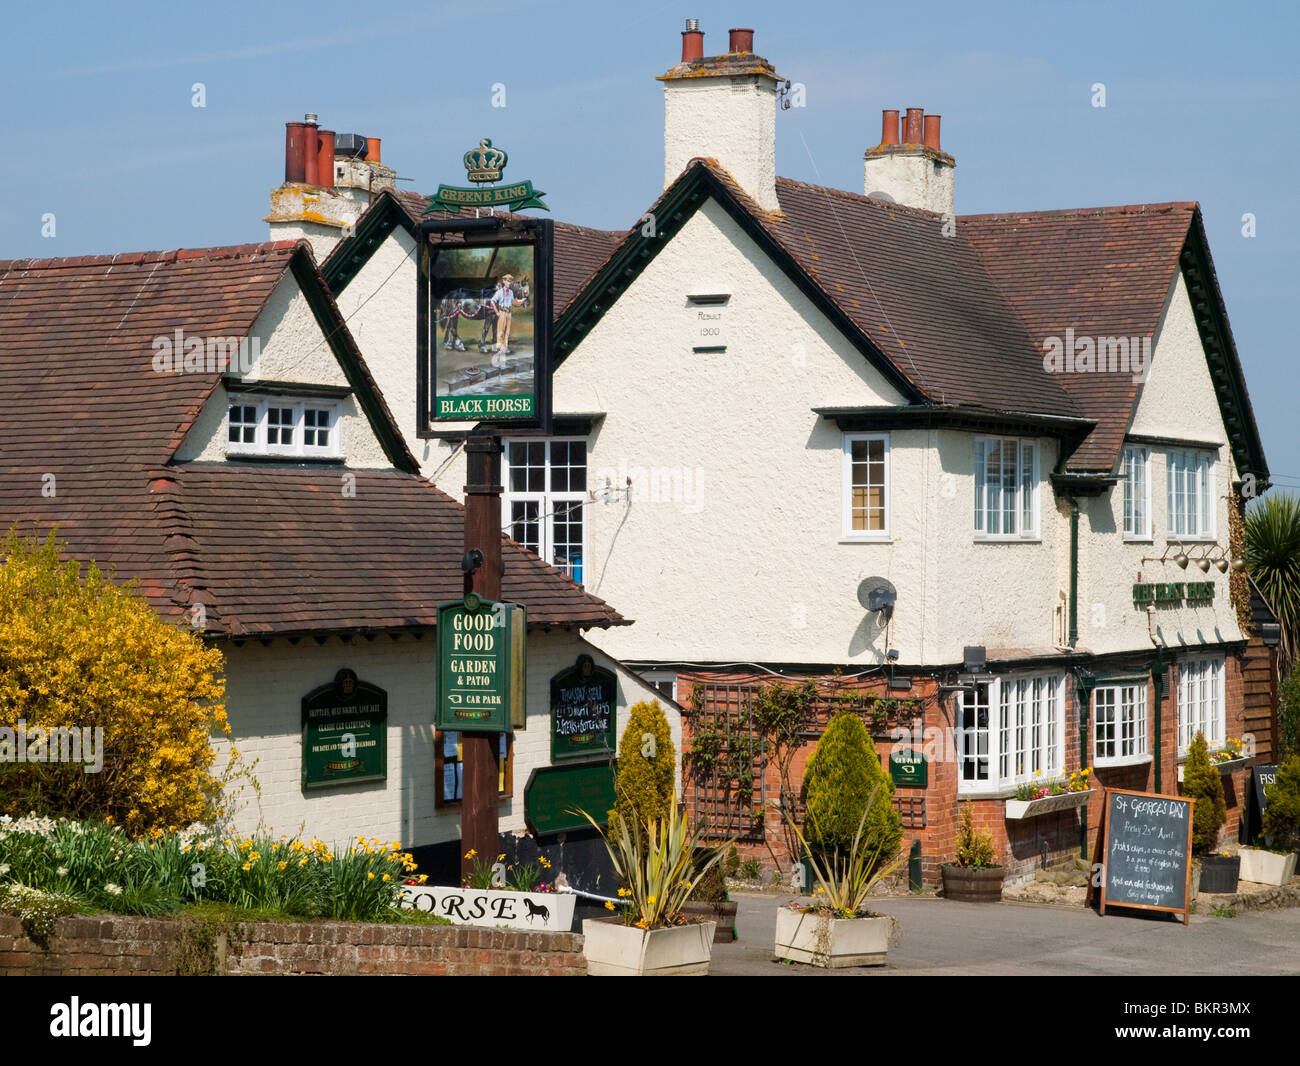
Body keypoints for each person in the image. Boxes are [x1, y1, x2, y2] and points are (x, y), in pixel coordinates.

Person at [493, 273, 514, 355]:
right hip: (502, 312)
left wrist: (521, 301)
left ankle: (505, 347)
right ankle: (499, 347)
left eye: (510, 281)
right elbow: (493, 301)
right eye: (508, 281)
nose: (509, 283)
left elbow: (512, 302)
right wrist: (497, 312)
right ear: (504, 281)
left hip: (509, 313)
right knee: (501, 330)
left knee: (507, 331)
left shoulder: (511, 292)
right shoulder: (500, 292)